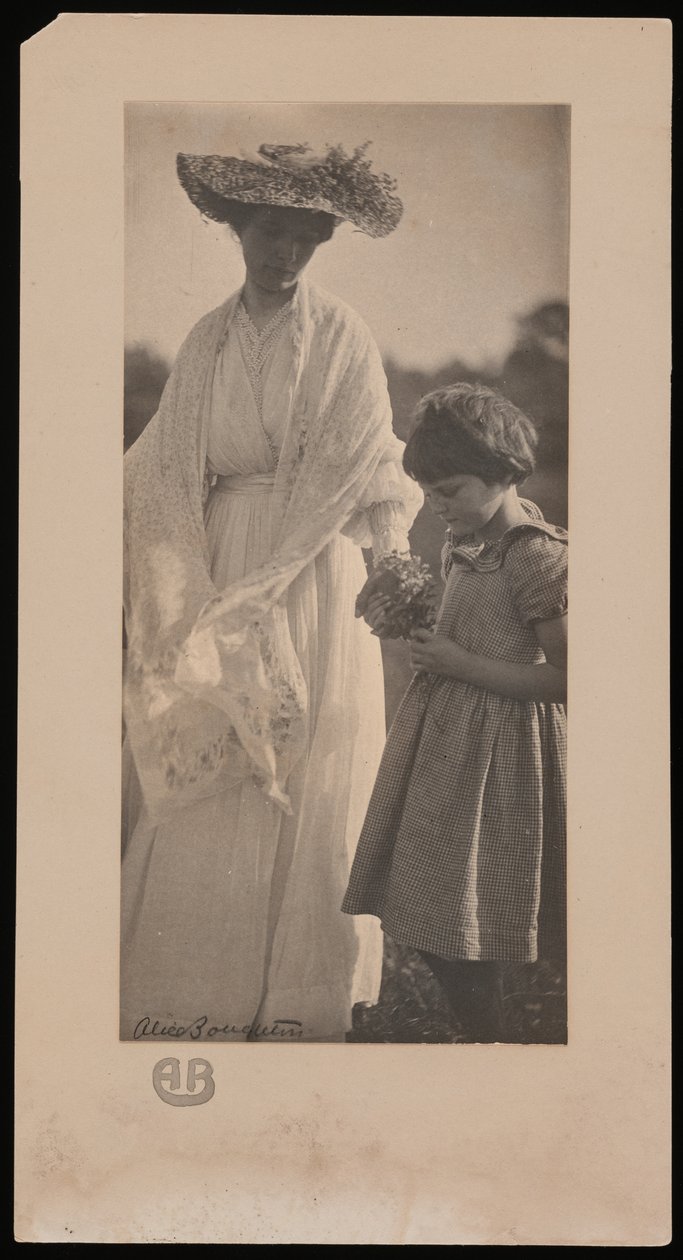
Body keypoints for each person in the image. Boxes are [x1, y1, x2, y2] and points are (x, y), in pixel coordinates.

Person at [121, 142, 422, 1042]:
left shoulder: (341, 336)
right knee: (218, 749)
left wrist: (391, 555)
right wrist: (180, 587)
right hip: (217, 558)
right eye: (269, 233)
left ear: (320, 244)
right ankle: (191, 985)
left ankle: (300, 993)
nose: (283, 254)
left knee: (311, 755)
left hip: (310, 564)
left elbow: (370, 464)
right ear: (237, 229)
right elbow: (162, 466)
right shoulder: (206, 337)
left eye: (302, 239)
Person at [344, 383, 567, 1042]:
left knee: (476, 921)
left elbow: (570, 678)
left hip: (503, 761)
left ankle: (494, 1039)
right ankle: (485, 1029)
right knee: (432, 916)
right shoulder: (465, 538)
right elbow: (466, 629)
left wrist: (458, 664)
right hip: (446, 750)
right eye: (428, 491)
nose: (436, 506)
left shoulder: (534, 554)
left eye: (451, 491)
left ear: (503, 474)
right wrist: (418, 630)